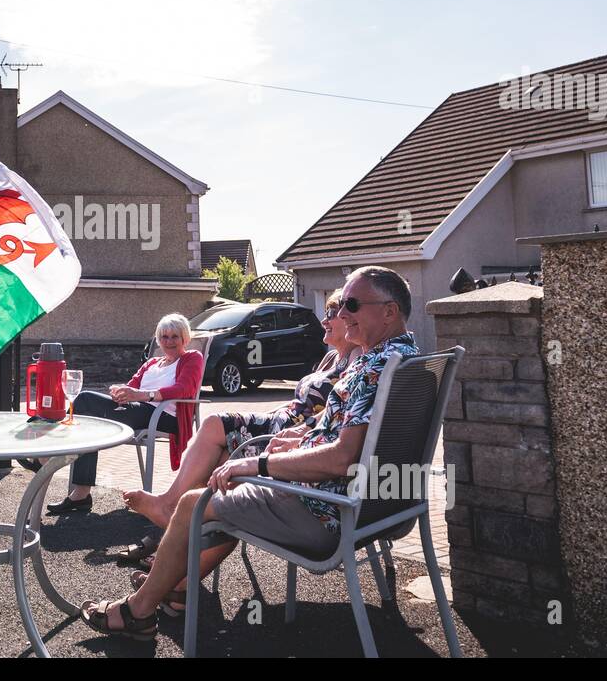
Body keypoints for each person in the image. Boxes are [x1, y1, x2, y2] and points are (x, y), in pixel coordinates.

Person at [80, 266, 420, 638]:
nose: (340, 314)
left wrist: (257, 463)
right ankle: (175, 588)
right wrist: (299, 441)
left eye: (351, 305)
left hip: (323, 513)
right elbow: (349, 442)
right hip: (372, 509)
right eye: (340, 307)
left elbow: (342, 457)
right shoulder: (407, 361)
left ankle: (138, 610)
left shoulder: (374, 366)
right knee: (228, 488)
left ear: (389, 311)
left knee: (199, 501)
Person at [120, 288, 360, 549]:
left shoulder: (357, 362)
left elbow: (332, 415)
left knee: (217, 457)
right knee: (214, 439)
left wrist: (299, 429)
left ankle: (171, 526)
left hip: (290, 434)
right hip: (282, 421)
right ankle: (176, 539)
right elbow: (302, 402)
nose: (324, 320)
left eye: (332, 313)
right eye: (327, 312)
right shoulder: (331, 358)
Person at [45, 314, 203, 516]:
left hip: (163, 416)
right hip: (139, 410)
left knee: (85, 401)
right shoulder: (152, 363)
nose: (169, 342)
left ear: (185, 339)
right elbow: (132, 386)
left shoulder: (192, 358)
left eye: (175, 337)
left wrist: (144, 395)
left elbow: (184, 389)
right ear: (158, 339)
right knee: (89, 422)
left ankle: (51, 450)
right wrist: (120, 391)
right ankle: (81, 494)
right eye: (164, 337)